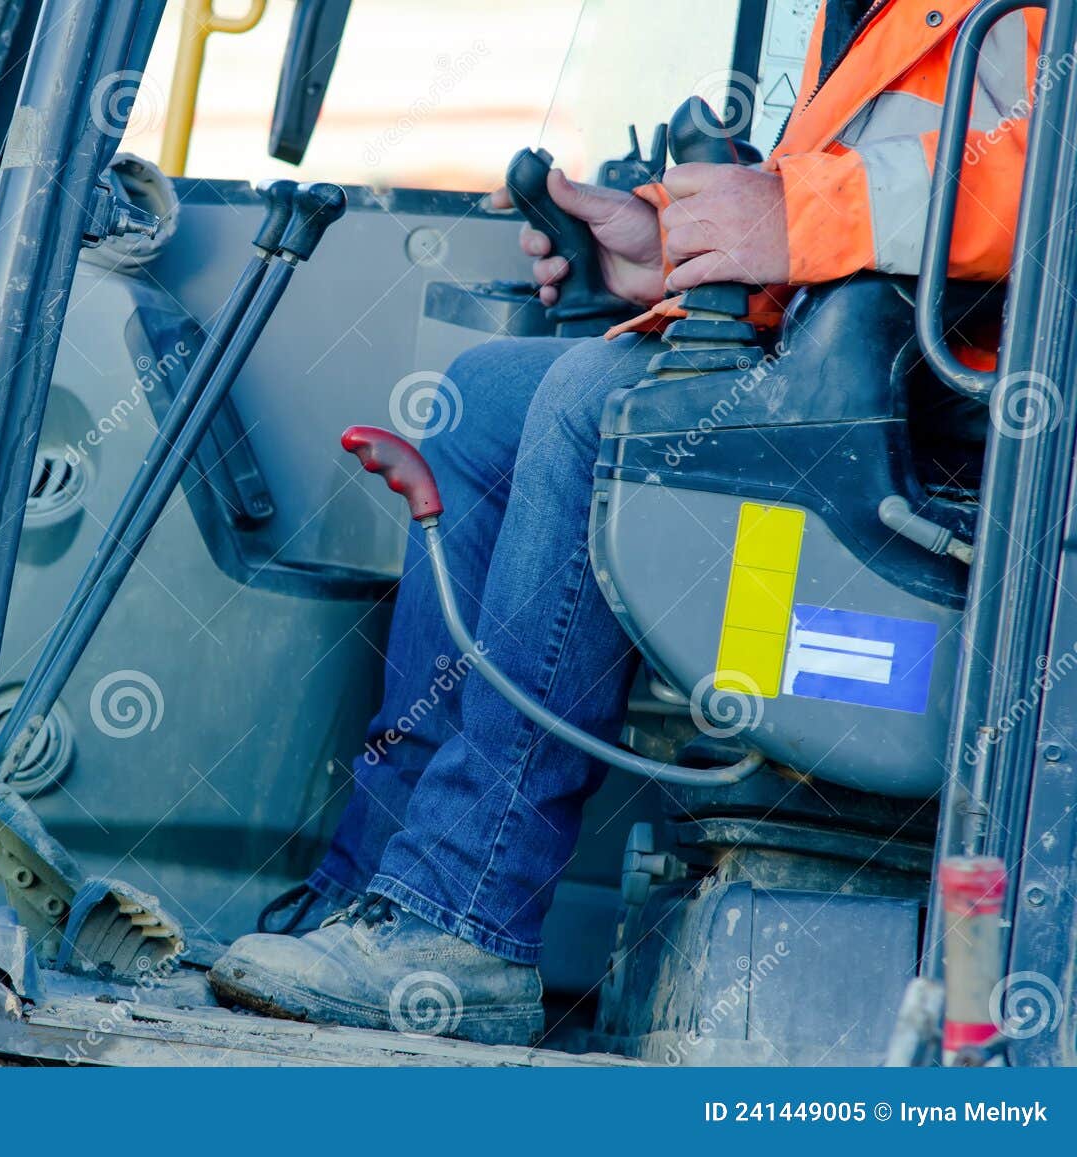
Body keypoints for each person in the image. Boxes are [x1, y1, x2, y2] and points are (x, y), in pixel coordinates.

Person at [208, 0, 1042, 1046]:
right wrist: (672, 244)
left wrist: (794, 212)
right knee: (483, 397)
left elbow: (1036, 182)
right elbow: (861, 213)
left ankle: (461, 918)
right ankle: (372, 884)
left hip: (983, 432)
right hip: (875, 371)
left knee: (593, 401)